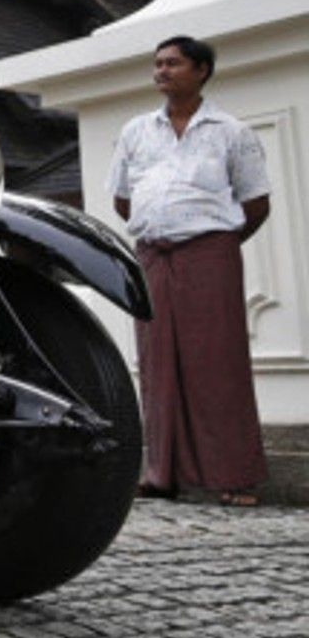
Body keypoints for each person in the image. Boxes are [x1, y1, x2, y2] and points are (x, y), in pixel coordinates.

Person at [109, 34, 272, 507]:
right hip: (153, 255)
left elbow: (256, 204)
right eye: (157, 63)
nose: (161, 71)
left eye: (173, 63)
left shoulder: (231, 132)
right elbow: (123, 198)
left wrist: (216, 242)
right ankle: (162, 474)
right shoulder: (136, 131)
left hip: (211, 254)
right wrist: (159, 228)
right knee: (156, 361)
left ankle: (234, 478)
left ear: (201, 70)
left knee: (217, 363)